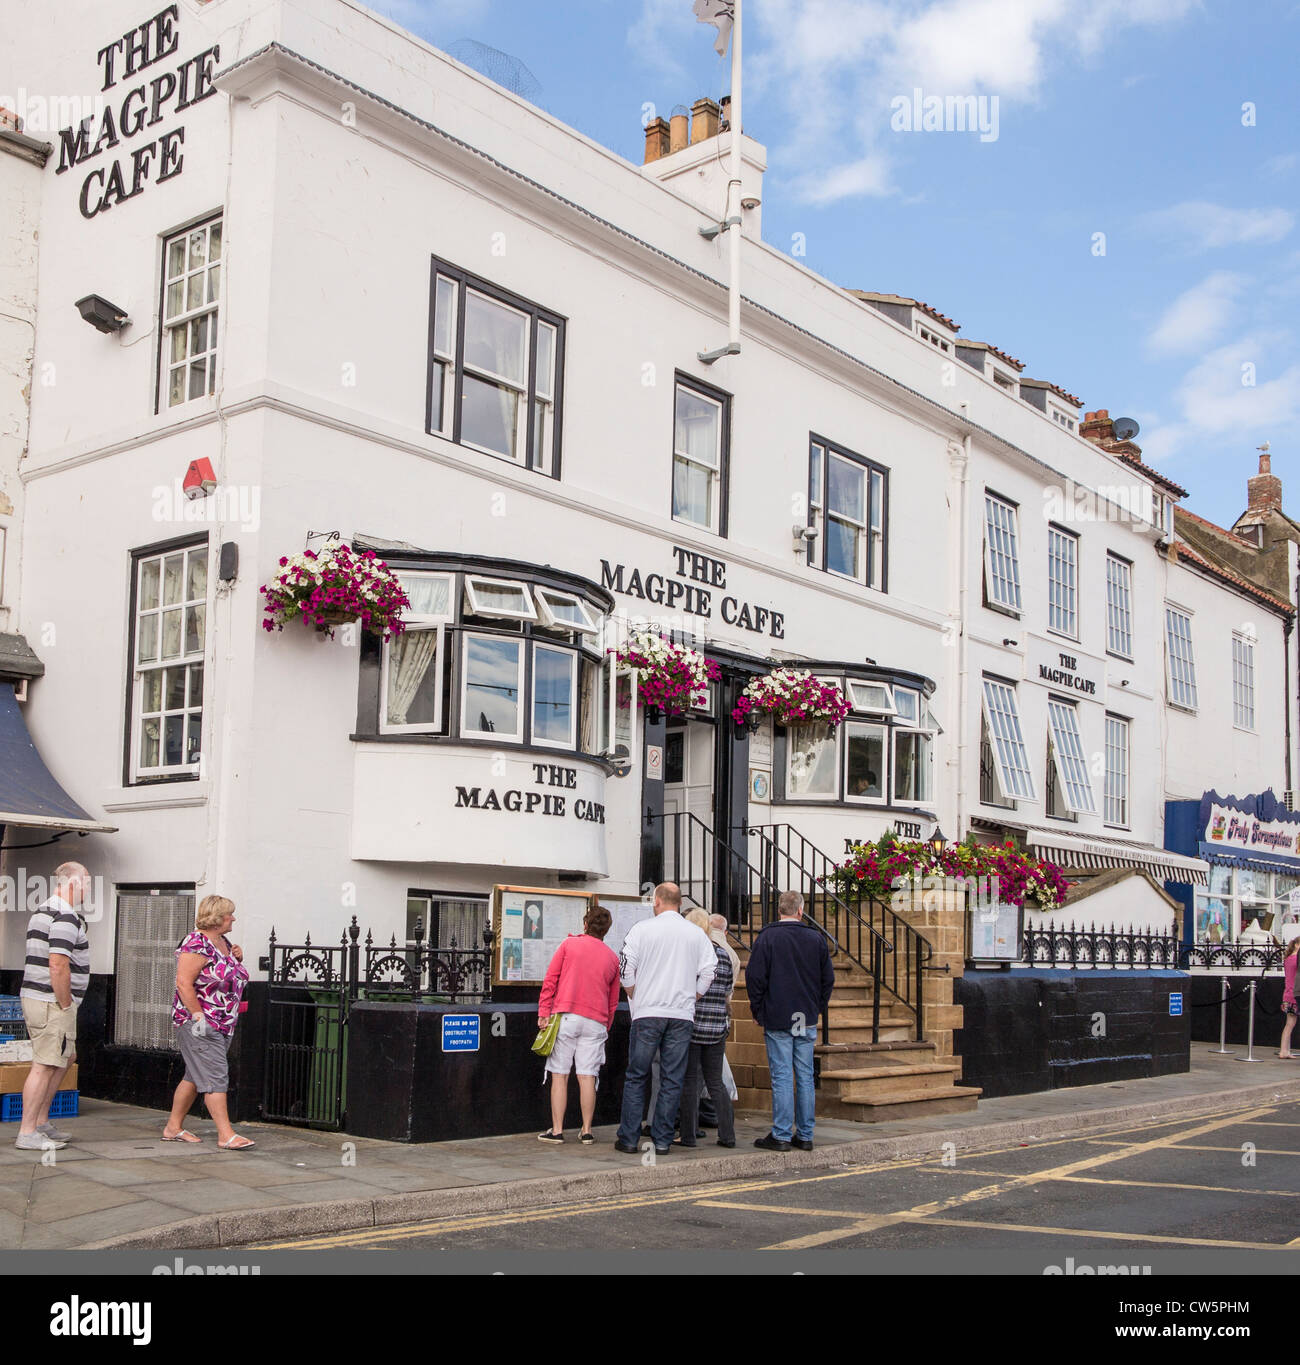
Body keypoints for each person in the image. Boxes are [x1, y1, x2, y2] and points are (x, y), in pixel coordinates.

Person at [614, 883, 716, 1156]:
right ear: (680, 903)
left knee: (637, 1075)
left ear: (657, 901)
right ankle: (661, 1140)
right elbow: (709, 970)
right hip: (681, 1015)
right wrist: (693, 995)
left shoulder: (642, 929)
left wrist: (632, 989)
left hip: (648, 1012)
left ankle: (628, 1138)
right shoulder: (696, 934)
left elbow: (624, 965)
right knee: (672, 1079)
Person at [746, 889, 834, 1152]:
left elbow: (755, 978)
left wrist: (758, 1009)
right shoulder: (815, 939)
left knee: (782, 1076)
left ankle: (782, 1135)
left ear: (779, 911)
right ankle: (805, 1135)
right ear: (800, 910)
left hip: (778, 1016)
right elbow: (827, 980)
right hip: (804, 1016)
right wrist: (816, 1007)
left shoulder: (767, 937)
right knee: (805, 1076)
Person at [164, 894, 253, 1149]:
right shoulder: (196, 942)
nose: (233, 918)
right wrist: (198, 1016)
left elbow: (222, 976)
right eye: (229, 914)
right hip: (201, 1023)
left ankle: (173, 1128)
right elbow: (183, 982)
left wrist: (237, 958)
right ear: (217, 918)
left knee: (194, 1076)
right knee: (215, 1075)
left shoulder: (222, 942)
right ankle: (226, 1135)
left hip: (223, 1022)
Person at [16, 863, 93, 1151]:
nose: (88, 889)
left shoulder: (43, 911)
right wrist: (65, 1003)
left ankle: (40, 1122)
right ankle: (27, 1132)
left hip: (42, 998)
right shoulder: (65, 916)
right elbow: (58, 964)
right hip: (52, 1001)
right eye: (87, 882)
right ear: (74, 884)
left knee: (66, 1056)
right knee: (45, 1064)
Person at [536, 903, 621, 1144]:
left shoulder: (569, 945)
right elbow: (613, 1002)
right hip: (596, 1021)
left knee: (560, 1075)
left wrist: (544, 1012)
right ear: (606, 930)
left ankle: (557, 1130)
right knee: (587, 1077)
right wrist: (606, 1026)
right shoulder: (612, 958)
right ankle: (586, 1130)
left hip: (567, 1017)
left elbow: (550, 981)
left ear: (585, 924)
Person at [677, 909, 736, 1149]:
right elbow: (727, 991)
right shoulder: (723, 954)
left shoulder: (689, 955)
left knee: (690, 1081)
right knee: (715, 1082)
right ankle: (728, 1135)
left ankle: (688, 1135)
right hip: (716, 1026)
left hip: (692, 1025)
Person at [1279, 937, 1300, 1059]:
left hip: (1288, 993)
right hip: (1294, 994)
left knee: (1289, 1024)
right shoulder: (1295, 959)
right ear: (1297, 945)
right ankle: (1284, 1051)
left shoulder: (1288, 959)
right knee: (1290, 1023)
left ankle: (1284, 1050)